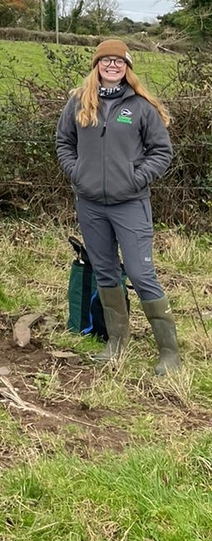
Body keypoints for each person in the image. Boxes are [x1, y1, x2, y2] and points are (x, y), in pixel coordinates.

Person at [56, 38, 180, 375]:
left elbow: (161, 152)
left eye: (119, 61)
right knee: (105, 272)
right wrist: (77, 173)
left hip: (130, 204)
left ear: (127, 68)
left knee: (141, 275)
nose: (113, 66)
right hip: (91, 204)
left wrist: (136, 179)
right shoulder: (79, 102)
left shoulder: (140, 106)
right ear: (96, 65)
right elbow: (63, 143)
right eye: (106, 60)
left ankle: (169, 353)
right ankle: (116, 343)